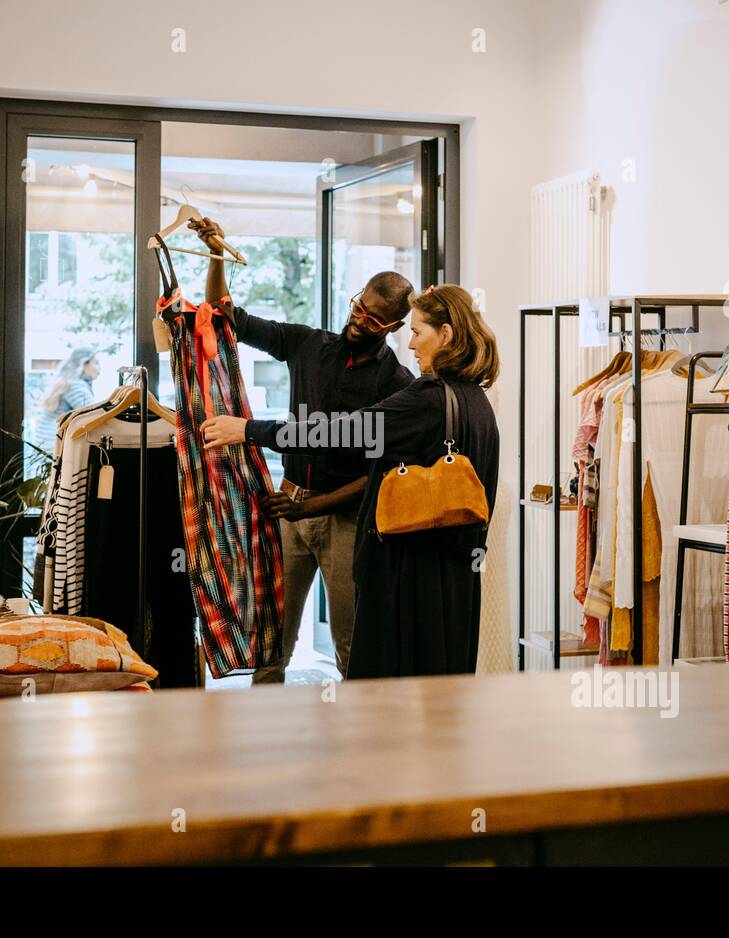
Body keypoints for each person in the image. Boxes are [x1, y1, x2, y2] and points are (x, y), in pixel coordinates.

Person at [202, 284, 500, 679]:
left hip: (414, 580)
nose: (411, 345)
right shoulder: (475, 402)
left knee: (385, 683)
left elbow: (341, 432)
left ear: (445, 335)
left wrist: (249, 429)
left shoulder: (426, 399)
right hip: (453, 580)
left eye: (417, 332)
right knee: (440, 690)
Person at [190, 216, 415, 683]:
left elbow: (381, 473)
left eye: (374, 318)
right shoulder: (310, 344)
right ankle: (268, 738)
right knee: (272, 640)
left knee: (352, 644)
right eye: (359, 307)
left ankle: (362, 743)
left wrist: (315, 503)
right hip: (286, 508)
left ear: (393, 325)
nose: (360, 319)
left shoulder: (398, 385)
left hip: (348, 522)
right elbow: (224, 314)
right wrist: (217, 254)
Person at [35, 347, 101, 445]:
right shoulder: (75, 386)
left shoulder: (69, 381)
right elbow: (94, 415)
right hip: (53, 446)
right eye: (96, 363)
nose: (100, 367)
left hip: (46, 444)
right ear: (84, 364)